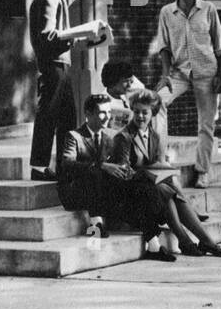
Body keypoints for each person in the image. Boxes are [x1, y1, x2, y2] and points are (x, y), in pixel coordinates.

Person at [112, 91, 221, 257]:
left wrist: (164, 170)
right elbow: (123, 172)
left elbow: (155, 164)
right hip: (132, 197)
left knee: (167, 189)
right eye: (137, 111)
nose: (140, 116)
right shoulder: (123, 137)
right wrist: (148, 175)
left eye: (144, 112)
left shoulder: (153, 136)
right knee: (164, 190)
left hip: (154, 192)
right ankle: (190, 241)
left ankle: (203, 242)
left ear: (152, 113)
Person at [28, 0, 106, 181]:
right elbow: (47, 35)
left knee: (67, 118)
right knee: (49, 115)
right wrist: (79, 33)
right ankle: (40, 167)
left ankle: (65, 165)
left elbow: (60, 7)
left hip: (61, 62)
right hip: (54, 64)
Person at [58, 94, 170, 254]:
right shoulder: (74, 136)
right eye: (102, 112)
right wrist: (102, 166)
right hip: (78, 192)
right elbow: (68, 165)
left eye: (109, 112)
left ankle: (154, 244)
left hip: (103, 193)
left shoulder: (110, 136)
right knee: (96, 174)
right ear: (88, 114)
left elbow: (118, 166)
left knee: (139, 185)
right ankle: (96, 225)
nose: (107, 117)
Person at [154, 0, 221, 188]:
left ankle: (202, 171)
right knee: (156, 102)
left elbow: (220, 44)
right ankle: (160, 160)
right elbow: (164, 46)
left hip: (207, 72)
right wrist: (165, 74)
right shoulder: (167, 12)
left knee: (206, 125)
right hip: (178, 73)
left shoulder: (208, 9)